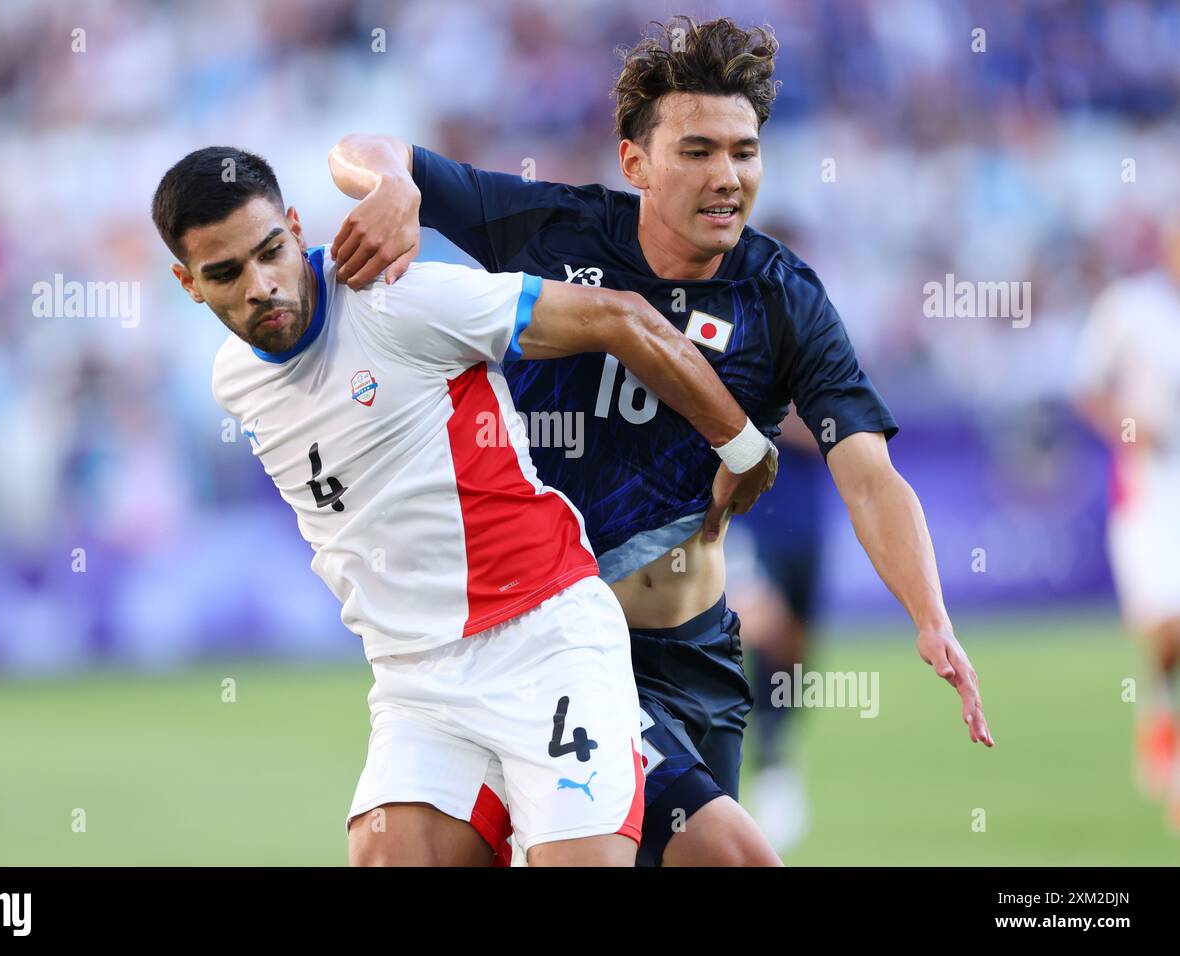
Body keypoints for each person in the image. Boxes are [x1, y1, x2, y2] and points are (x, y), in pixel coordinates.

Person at [328, 15, 994, 866]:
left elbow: (869, 477)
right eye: (699, 151)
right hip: (545, 638)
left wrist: (929, 615)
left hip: (692, 658)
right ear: (634, 162)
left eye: (745, 152)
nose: (728, 177)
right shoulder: (553, 229)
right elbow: (366, 146)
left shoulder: (784, 300)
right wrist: (392, 186)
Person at [150, 145, 777, 866]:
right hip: (416, 679)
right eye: (226, 273)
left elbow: (621, 317)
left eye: (271, 252)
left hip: (542, 637)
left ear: (296, 227)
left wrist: (741, 444)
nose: (261, 286)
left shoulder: (400, 300)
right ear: (188, 283)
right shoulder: (234, 380)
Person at [1074, 213, 1180, 831]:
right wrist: (1129, 428)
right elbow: (1087, 386)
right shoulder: (1129, 308)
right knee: (1165, 628)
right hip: (1147, 495)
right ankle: (1159, 709)